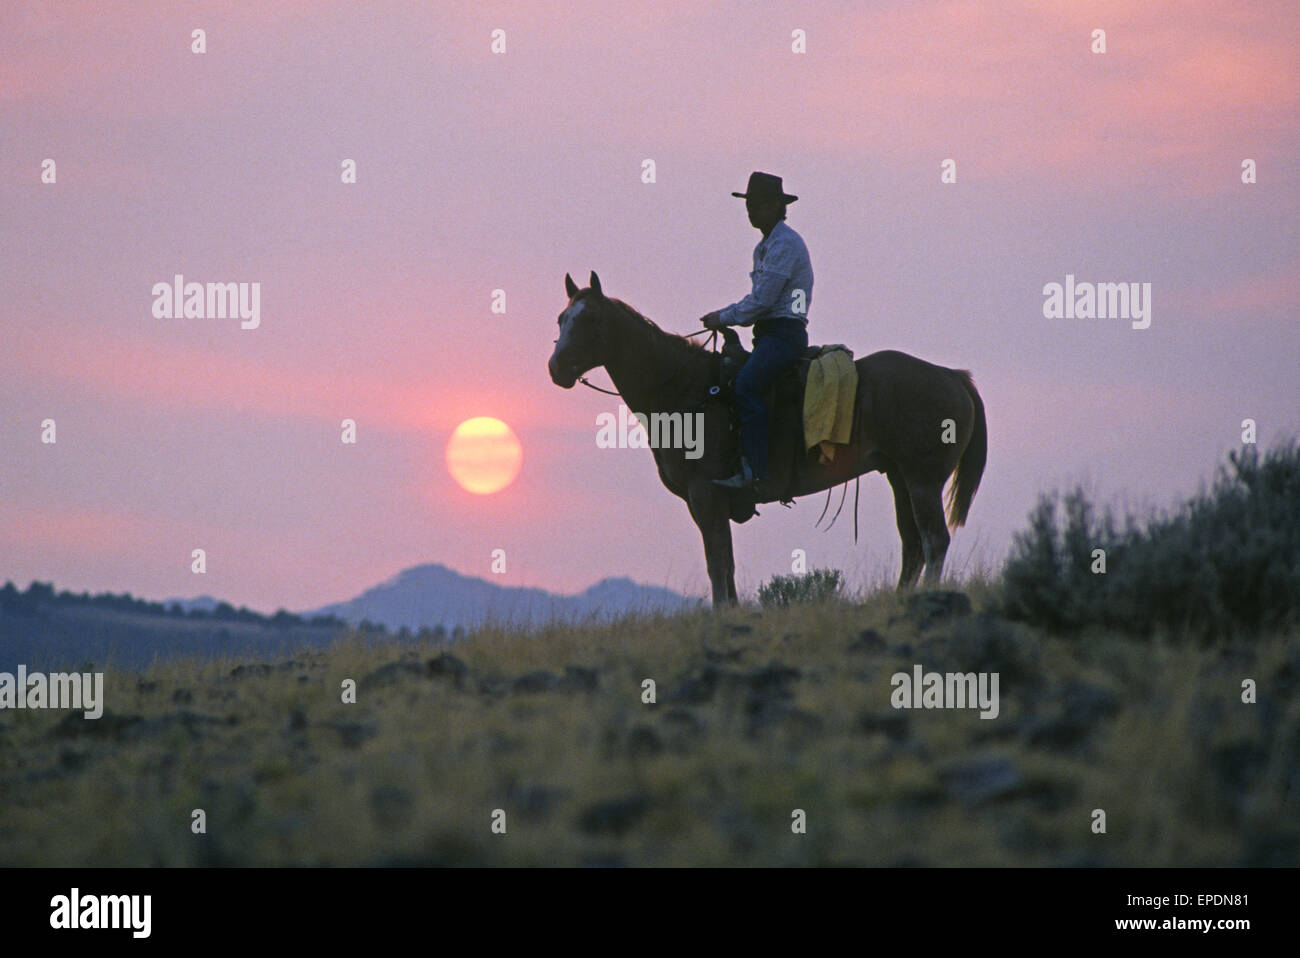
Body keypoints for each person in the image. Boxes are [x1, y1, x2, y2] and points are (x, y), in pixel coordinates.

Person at [700, 171, 814, 491]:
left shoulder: (785, 244)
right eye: (749, 205)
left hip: (784, 334)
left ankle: (757, 471)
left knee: (747, 385)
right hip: (768, 334)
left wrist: (723, 317)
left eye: (759, 205)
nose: (751, 211)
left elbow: (763, 301)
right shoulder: (764, 247)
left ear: (777, 206)